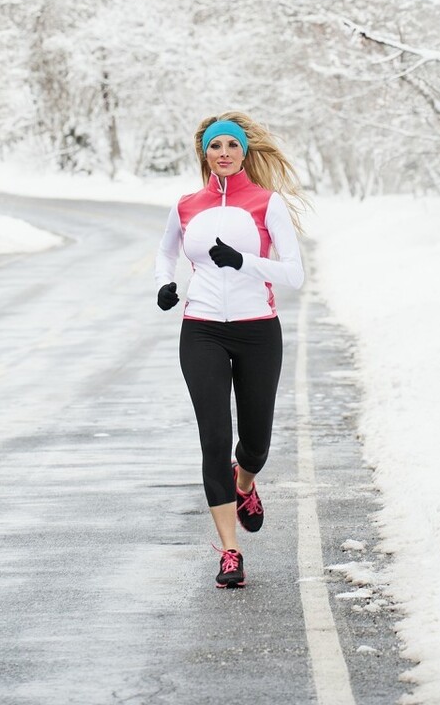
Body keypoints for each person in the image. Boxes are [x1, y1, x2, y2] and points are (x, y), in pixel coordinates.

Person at [155, 112, 306, 589]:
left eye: (232, 146)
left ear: (245, 152)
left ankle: (247, 480)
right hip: (201, 330)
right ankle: (230, 552)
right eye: (215, 146)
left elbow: (295, 274)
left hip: (258, 330)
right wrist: (165, 283)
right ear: (206, 153)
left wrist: (245, 262)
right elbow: (165, 253)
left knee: (255, 442)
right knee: (214, 439)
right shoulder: (186, 205)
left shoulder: (268, 204)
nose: (223, 153)